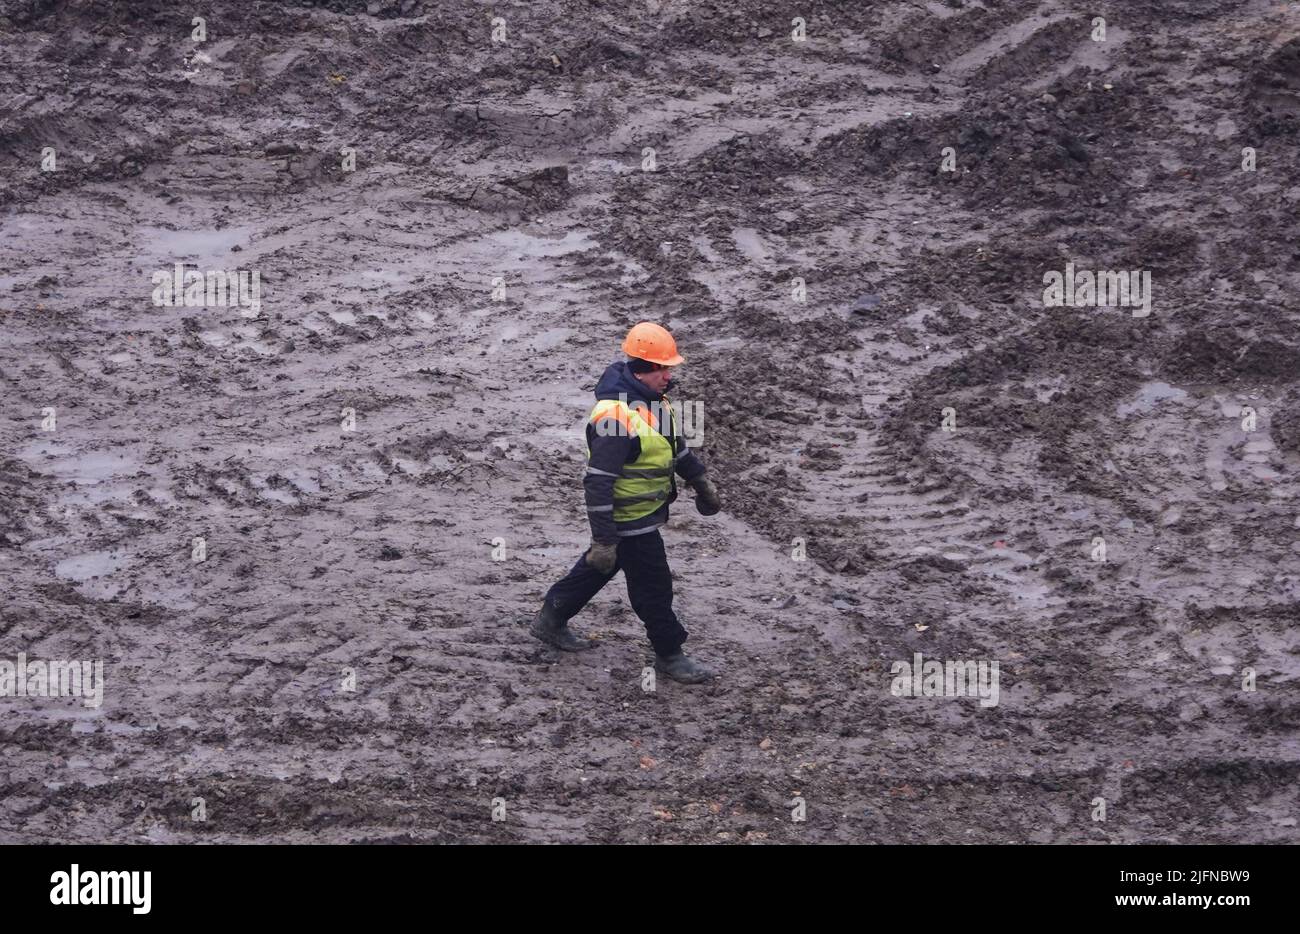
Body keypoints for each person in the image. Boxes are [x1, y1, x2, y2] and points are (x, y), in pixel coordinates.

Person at [530, 322, 721, 684]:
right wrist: (605, 538)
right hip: (626, 518)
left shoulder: (653, 401)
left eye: (669, 368)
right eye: (662, 369)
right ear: (640, 369)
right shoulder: (614, 420)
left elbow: (675, 446)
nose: (668, 376)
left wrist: (701, 481)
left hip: (641, 513)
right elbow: (598, 483)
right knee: (653, 587)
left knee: (600, 567)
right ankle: (670, 653)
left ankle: (551, 618)